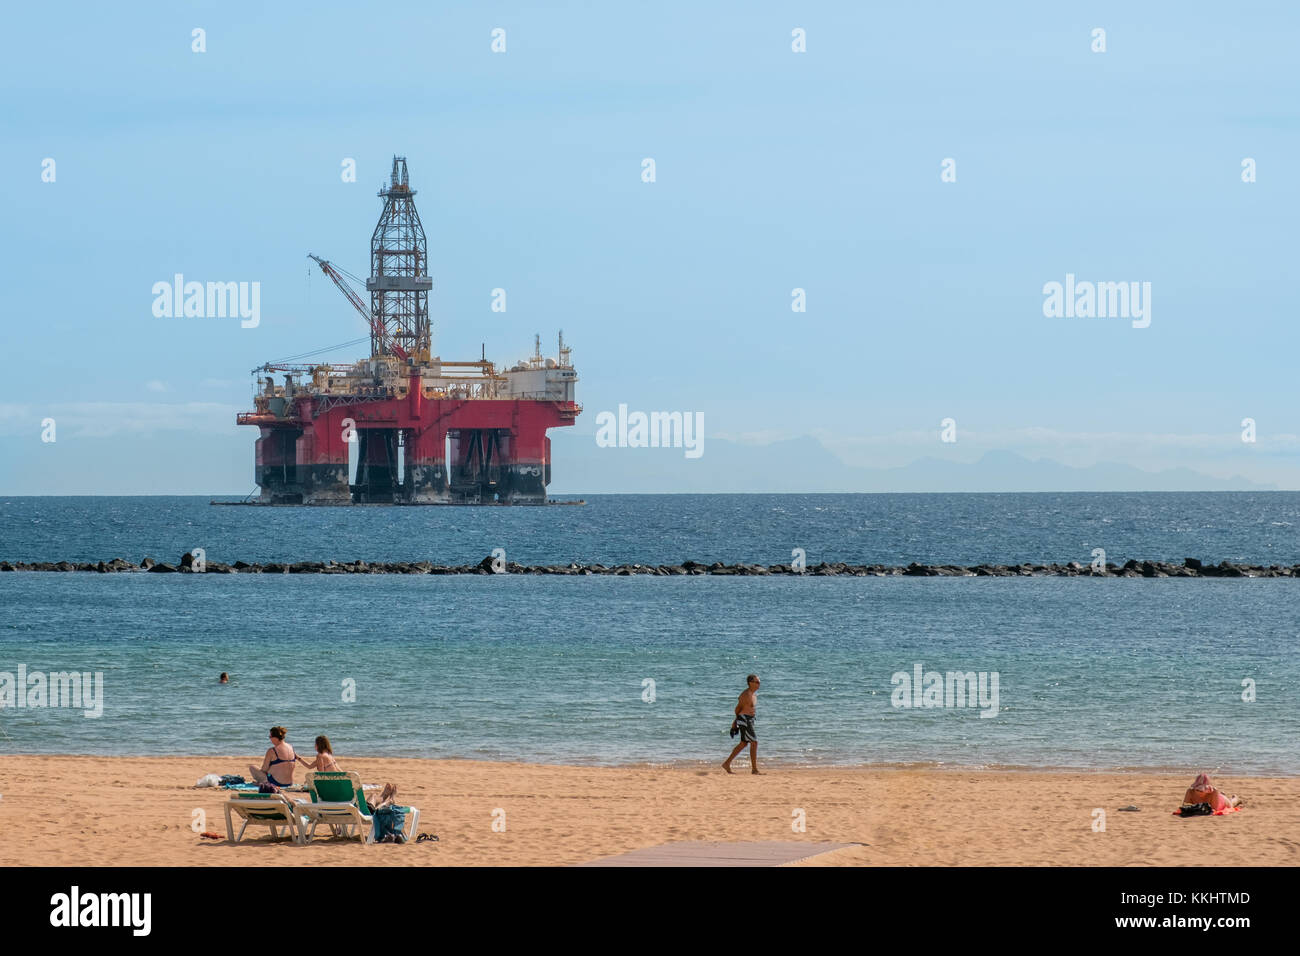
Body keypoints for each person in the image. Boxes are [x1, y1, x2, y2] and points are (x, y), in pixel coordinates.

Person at [723, 674, 761, 775]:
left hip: (749, 720)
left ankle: (727, 763)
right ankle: (754, 769)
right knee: (754, 742)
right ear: (750, 683)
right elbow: (738, 709)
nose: (759, 684)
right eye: (757, 682)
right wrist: (735, 722)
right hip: (744, 719)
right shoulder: (745, 695)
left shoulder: (753, 694)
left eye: (759, 682)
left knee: (744, 743)